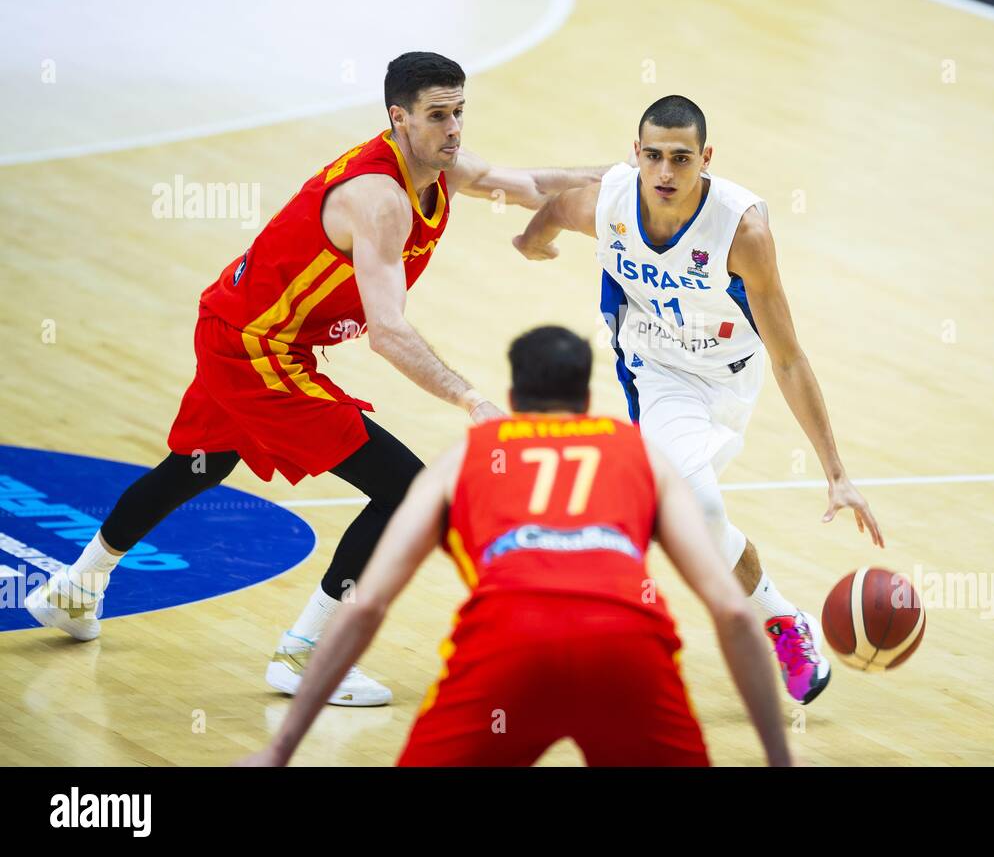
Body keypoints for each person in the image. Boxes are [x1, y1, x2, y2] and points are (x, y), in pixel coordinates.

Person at [25, 52, 611, 707]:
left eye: (459, 112)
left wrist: (621, 178)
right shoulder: (379, 198)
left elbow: (528, 184)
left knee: (197, 466)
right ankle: (305, 654)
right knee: (406, 491)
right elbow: (387, 333)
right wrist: (469, 396)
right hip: (256, 348)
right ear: (399, 118)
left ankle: (75, 588)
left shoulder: (440, 167)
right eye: (438, 115)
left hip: (238, 322)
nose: (453, 128)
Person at [239, 326, 791, 766]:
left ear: (510, 397)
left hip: (506, 647)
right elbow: (731, 614)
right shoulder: (641, 455)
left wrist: (281, 749)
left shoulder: (467, 458)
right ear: (586, 399)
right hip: (625, 648)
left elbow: (368, 606)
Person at [511, 95, 886, 704]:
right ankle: (780, 621)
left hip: (731, 377)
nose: (665, 173)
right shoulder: (610, 203)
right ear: (635, 154)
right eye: (653, 156)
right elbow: (555, 205)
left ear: (705, 159)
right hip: (658, 374)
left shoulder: (743, 231)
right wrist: (532, 239)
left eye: (681, 159)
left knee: (686, 513)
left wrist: (836, 473)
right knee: (696, 509)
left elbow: (788, 356)